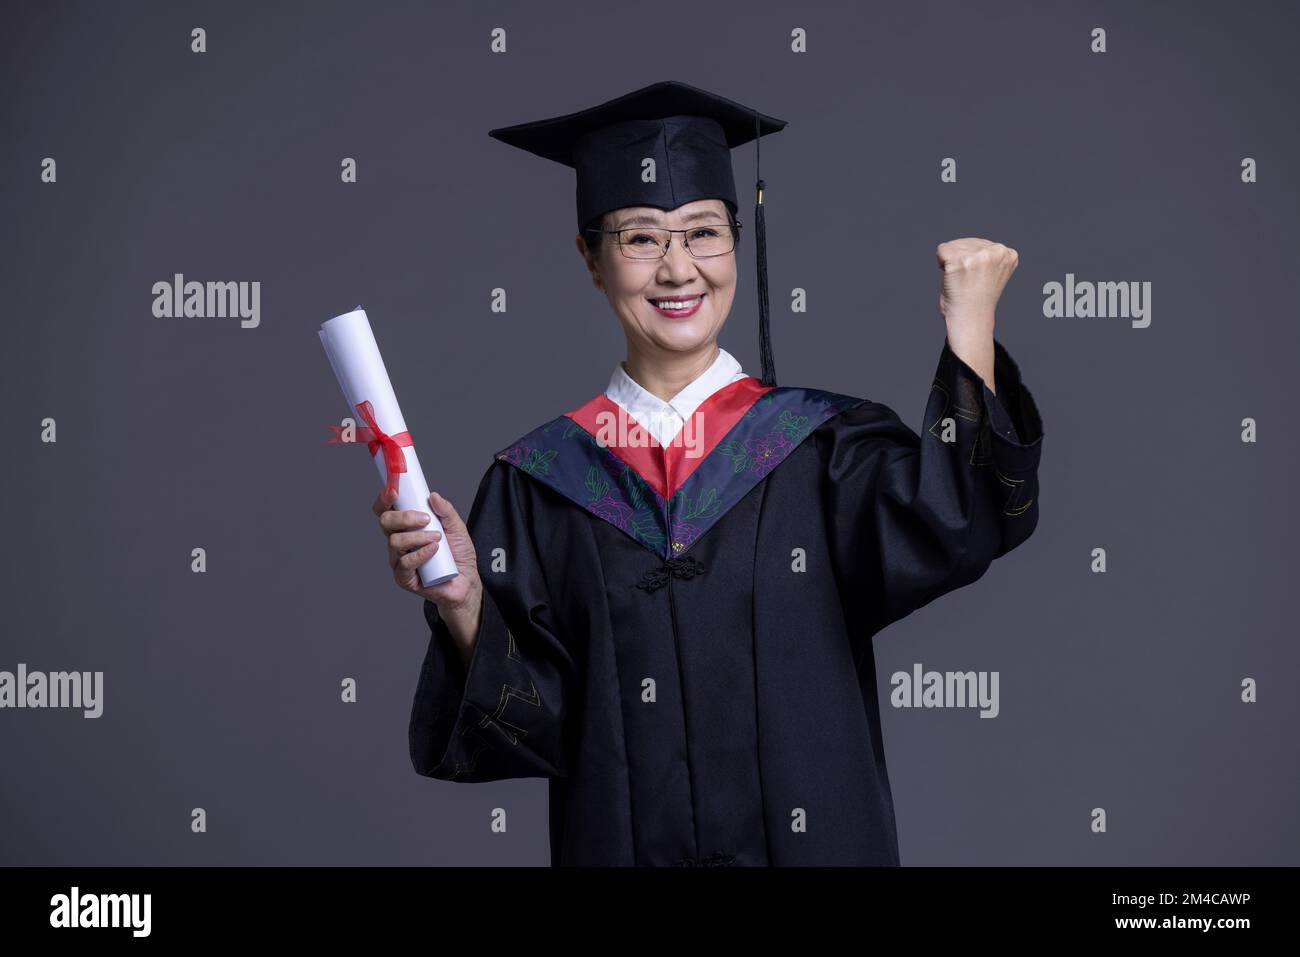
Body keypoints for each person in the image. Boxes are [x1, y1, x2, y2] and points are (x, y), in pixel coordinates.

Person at [378, 81, 1044, 866]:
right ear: (592, 260)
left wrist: (970, 325)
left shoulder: (819, 448)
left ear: (737, 240)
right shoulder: (541, 483)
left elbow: (957, 520)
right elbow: (540, 728)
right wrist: (464, 603)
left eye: (702, 232)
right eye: (640, 239)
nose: (677, 268)